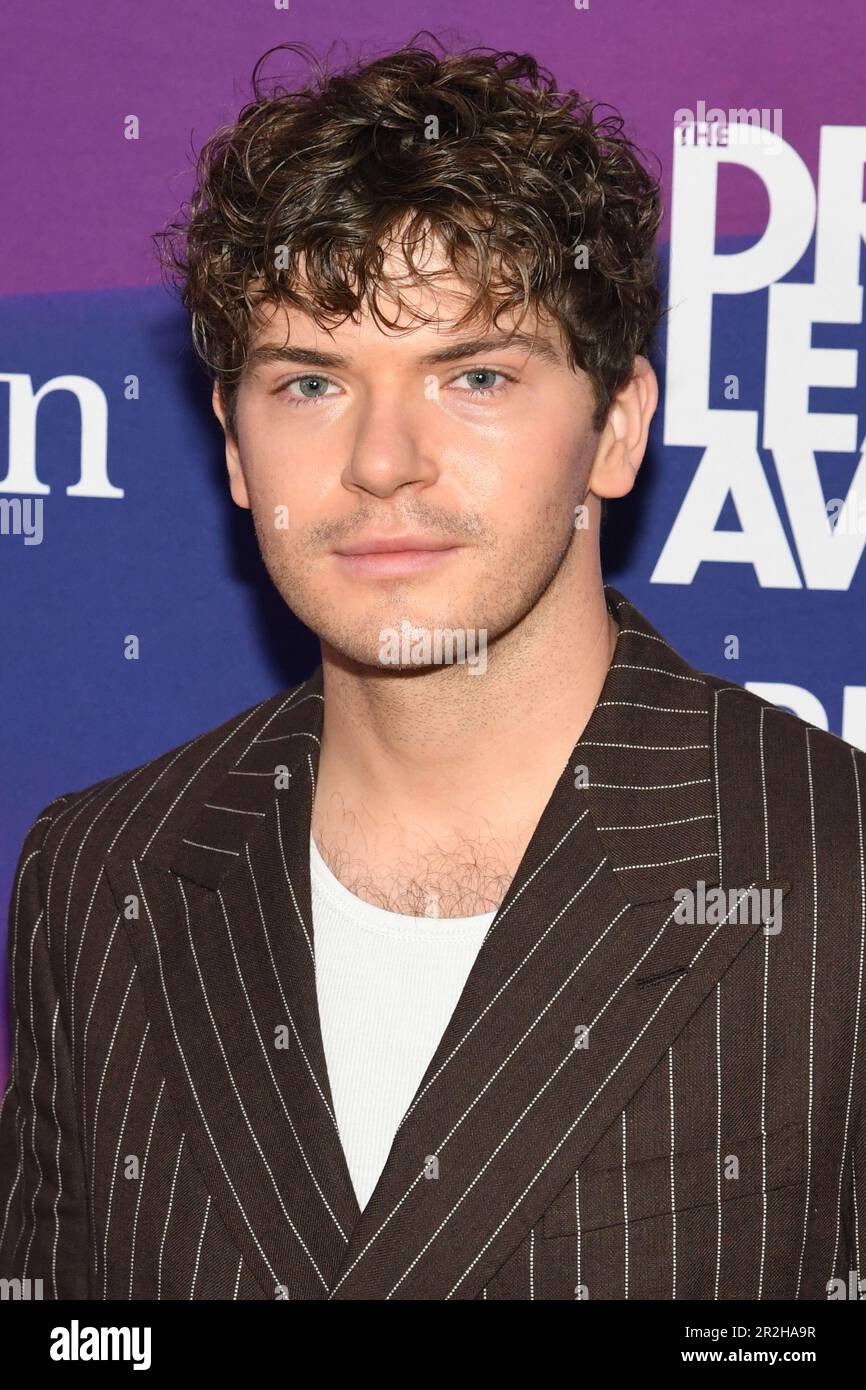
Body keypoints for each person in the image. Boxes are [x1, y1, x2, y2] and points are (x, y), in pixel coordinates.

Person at [1, 37, 863, 1302]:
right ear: (234, 452)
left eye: (472, 374)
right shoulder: (98, 877)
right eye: (309, 381)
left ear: (614, 428)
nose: (383, 460)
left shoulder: (834, 877)